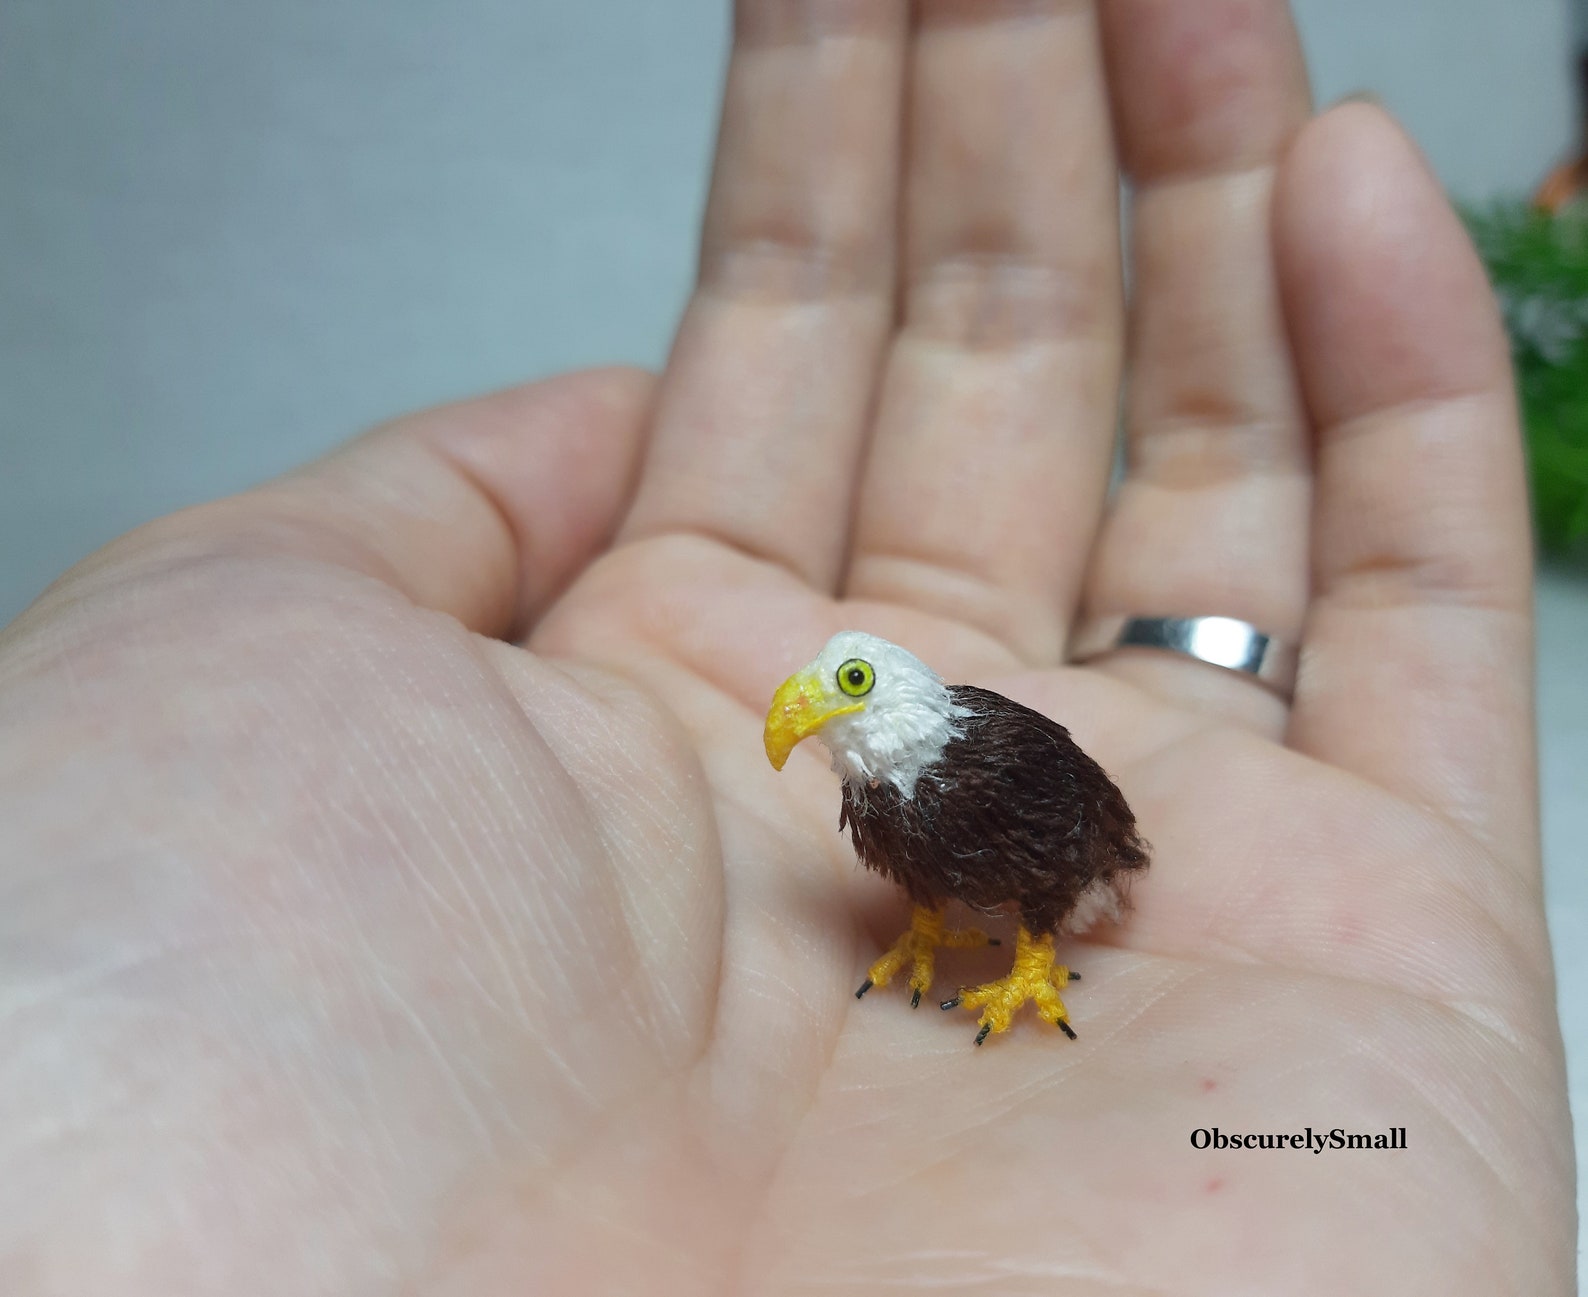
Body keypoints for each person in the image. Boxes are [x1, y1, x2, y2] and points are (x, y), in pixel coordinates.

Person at [0, 1, 1574, 1291]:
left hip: (1053, 870)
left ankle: (1017, 946)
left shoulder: (991, 760)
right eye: (821, 696)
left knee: (1004, 868)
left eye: (843, 689)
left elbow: (1078, 832)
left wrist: (1036, 942)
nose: (819, 710)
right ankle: (944, 933)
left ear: (892, 690)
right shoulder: (876, 801)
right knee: (916, 866)